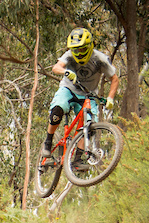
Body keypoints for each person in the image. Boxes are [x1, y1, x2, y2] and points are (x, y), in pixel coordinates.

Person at [42, 28, 119, 167]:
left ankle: (77, 160)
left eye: (82, 49)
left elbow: (114, 78)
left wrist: (110, 98)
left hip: (88, 95)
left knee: (89, 126)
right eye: (75, 50)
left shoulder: (100, 59)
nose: (78, 53)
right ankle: (48, 142)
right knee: (58, 110)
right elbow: (56, 67)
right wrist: (65, 71)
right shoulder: (69, 55)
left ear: (89, 46)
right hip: (68, 89)